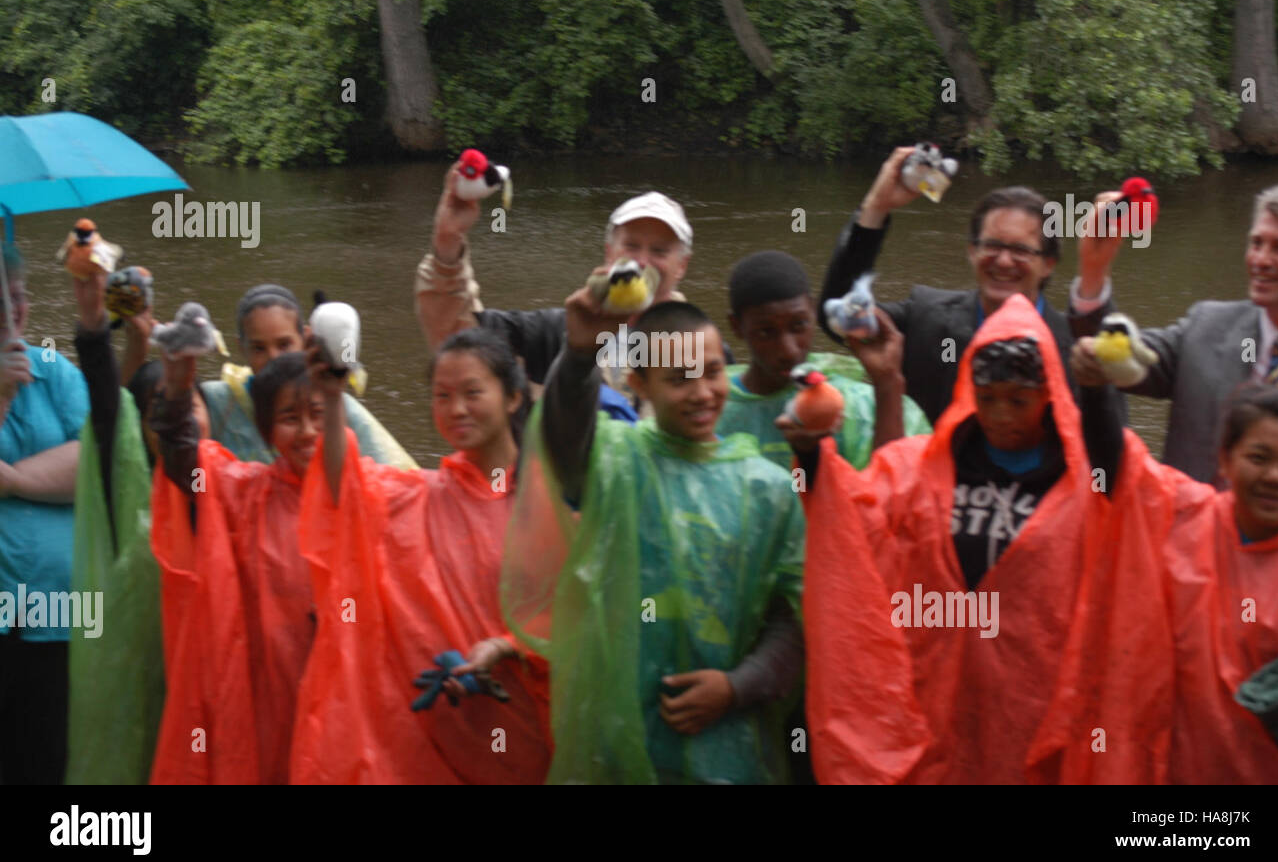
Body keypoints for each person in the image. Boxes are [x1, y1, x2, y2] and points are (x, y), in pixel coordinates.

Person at [796, 293, 1125, 784]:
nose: (1003, 416)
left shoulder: (1086, 482)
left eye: (1019, 400)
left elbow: (1145, 530)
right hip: (936, 697)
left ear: (1050, 395)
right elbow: (855, 520)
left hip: (1036, 699)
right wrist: (810, 454)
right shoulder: (925, 466)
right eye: (988, 399)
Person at [501, 291, 805, 784]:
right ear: (639, 382)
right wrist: (579, 355)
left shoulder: (767, 489)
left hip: (728, 744)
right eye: (680, 379)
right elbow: (562, 443)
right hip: (622, 735)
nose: (704, 393)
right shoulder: (617, 463)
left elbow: (792, 617)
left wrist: (735, 687)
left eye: (711, 372)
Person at [291, 328, 551, 784]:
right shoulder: (419, 497)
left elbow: (580, 611)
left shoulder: (547, 500)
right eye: (442, 395)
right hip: (442, 727)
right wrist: (332, 400)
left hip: (529, 726)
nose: (456, 409)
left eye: (472, 392)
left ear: (512, 397)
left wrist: (509, 647)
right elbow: (345, 491)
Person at [1030, 375, 1278, 784]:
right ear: (1225, 459)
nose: (1276, 477)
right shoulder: (1182, 513)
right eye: (1259, 458)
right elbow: (1116, 468)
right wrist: (1096, 386)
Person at [817, 146, 1122, 424]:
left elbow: (1111, 442)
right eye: (991, 246)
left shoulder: (1076, 347)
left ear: (1048, 264)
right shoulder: (925, 321)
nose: (1003, 261)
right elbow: (838, 317)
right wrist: (876, 208)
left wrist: (1095, 272)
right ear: (971, 251)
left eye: (1020, 250)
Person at [415, 165, 730, 412]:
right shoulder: (556, 332)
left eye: (660, 252)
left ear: (682, 266)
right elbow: (456, 342)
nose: (642, 262)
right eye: (631, 247)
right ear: (609, 253)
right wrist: (447, 245)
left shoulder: (707, 354)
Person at [149, 350, 323, 783]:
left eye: (319, 414)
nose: (307, 432)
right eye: (289, 418)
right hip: (269, 694)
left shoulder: (374, 494)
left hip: (345, 695)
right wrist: (176, 387)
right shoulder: (245, 495)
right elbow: (184, 462)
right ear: (265, 430)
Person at [1074, 181, 1278, 484]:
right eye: (1257, 243)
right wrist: (1093, 271)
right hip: (1193, 528)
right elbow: (1113, 356)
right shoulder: (1207, 326)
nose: (1261, 260)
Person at [65, 269, 198, 784]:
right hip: (126, 681)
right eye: (154, 410)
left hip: (189, 676)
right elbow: (107, 413)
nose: (167, 420)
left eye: (182, 406)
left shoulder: (213, 482)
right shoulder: (124, 486)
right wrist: (96, 321)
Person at [0, 243, 89, 785]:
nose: (15, 312)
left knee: (48, 764)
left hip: (56, 616)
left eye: (19, 298)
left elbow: (95, 463)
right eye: (0, 301)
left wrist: (10, 479)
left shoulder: (53, 370)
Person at [719, 250, 930, 471]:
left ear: (812, 310)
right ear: (736, 327)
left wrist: (887, 383)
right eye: (766, 332)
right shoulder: (711, 407)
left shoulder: (858, 407)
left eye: (799, 326)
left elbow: (897, 490)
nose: (788, 351)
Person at [200, 284, 415, 468]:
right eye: (259, 348)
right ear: (242, 349)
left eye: (284, 345)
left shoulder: (334, 406)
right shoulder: (218, 403)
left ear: (304, 339)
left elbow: (392, 476)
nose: (273, 358)